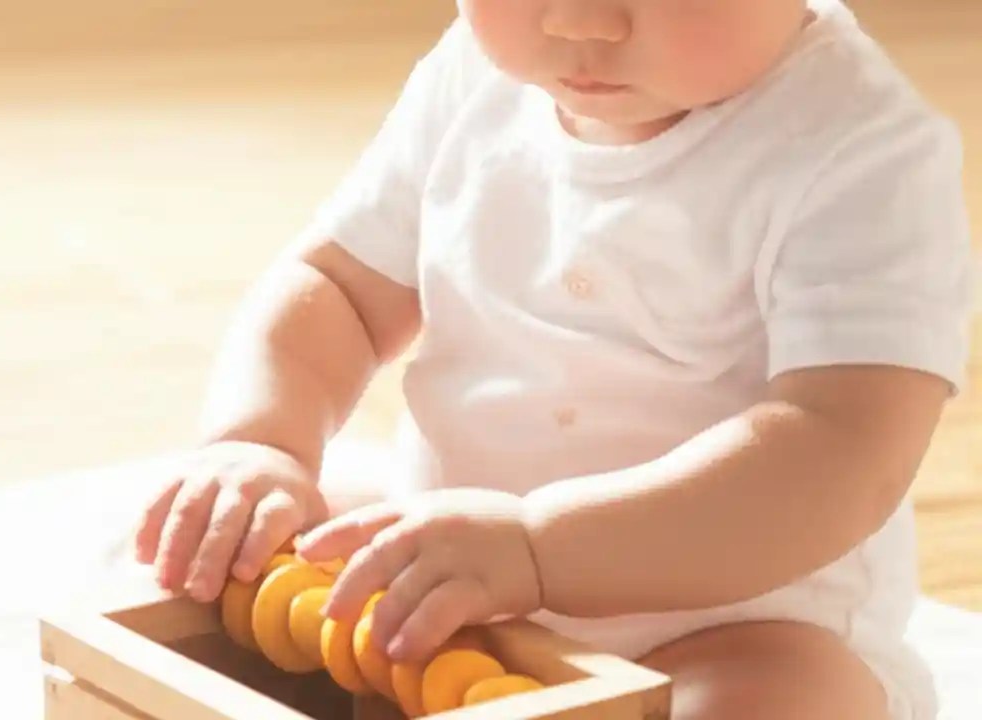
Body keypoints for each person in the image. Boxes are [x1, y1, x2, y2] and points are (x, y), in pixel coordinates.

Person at [132, 0, 974, 717]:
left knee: (780, 699)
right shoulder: (472, 77)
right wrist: (263, 439)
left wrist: (542, 549)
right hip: (450, 575)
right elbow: (339, 288)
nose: (578, 20)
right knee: (212, 548)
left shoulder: (862, 152)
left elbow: (839, 453)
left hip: (725, 624)